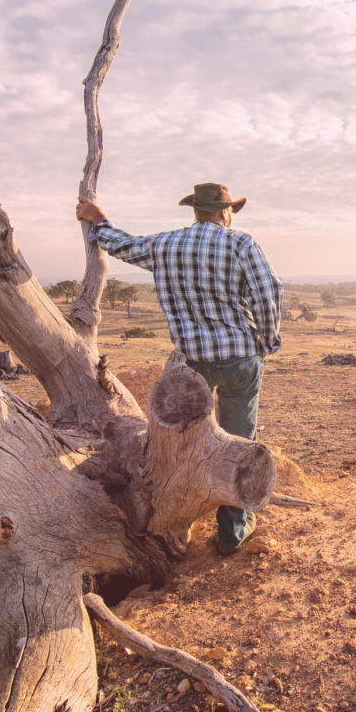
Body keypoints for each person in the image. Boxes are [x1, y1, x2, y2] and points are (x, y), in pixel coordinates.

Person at [76, 182, 283, 555]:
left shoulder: (166, 244)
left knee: (191, 442)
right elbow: (269, 293)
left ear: (196, 211)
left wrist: (99, 220)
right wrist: (266, 342)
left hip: (192, 365)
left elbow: (122, 245)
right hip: (239, 358)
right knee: (239, 438)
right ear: (224, 212)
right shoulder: (240, 244)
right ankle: (233, 532)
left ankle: (178, 515)